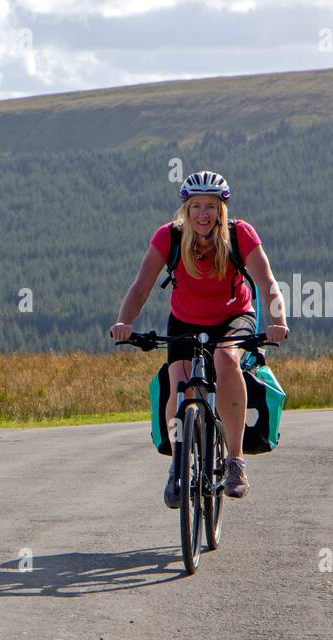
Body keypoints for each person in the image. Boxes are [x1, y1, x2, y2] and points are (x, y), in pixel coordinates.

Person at [110, 170, 288, 507]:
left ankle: (235, 461)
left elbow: (266, 281)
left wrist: (279, 321)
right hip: (185, 320)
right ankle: (179, 464)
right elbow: (141, 285)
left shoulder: (240, 234)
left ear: (221, 209)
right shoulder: (169, 237)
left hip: (234, 316)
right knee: (179, 384)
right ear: (186, 210)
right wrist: (124, 322)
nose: (203, 214)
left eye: (210, 206)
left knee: (225, 359)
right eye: (196, 206)